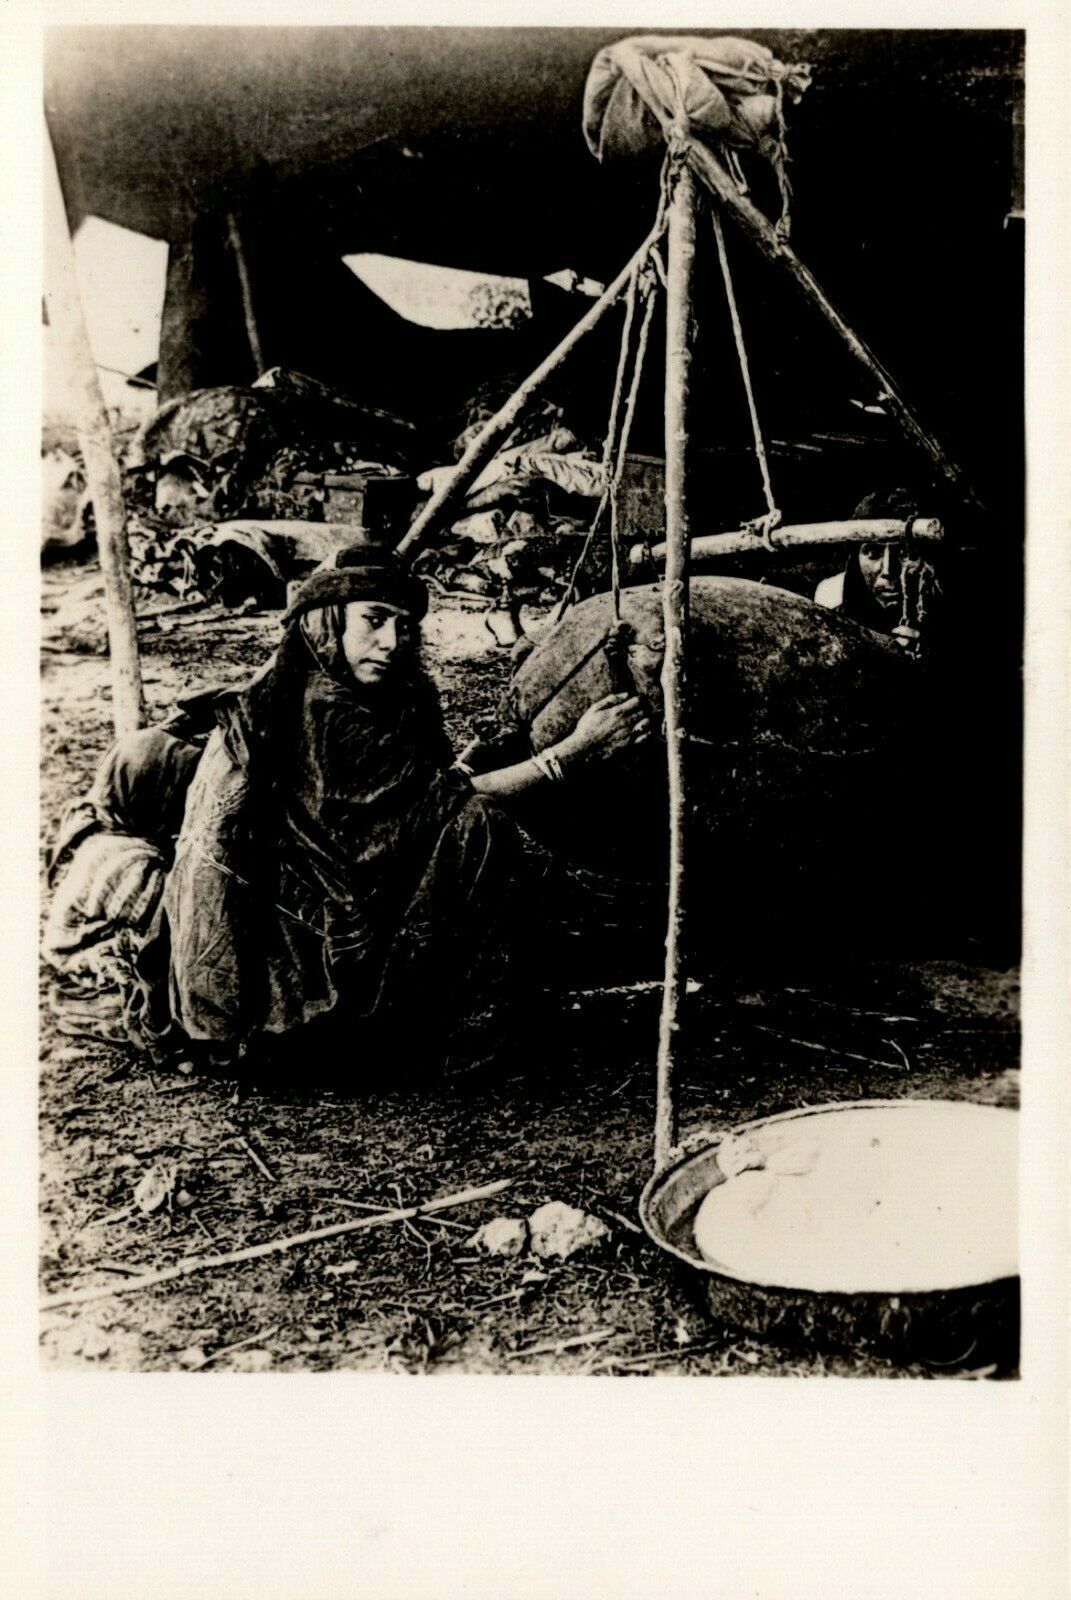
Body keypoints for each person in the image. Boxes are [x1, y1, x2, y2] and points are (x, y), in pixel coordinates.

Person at [163, 543, 651, 1072]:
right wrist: (572, 755)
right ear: (328, 619)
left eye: (405, 625)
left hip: (301, 923)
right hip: (294, 967)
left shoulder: (321, 683)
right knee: (479, 828)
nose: (392, 641)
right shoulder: (323, 706)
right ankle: (439, 1032)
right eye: (373, 620)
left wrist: (492, 748)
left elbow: (404, 795)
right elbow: (435, 808)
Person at [43, 726, 203, 1052]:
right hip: (85, 979)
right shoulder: (126, 861)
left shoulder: (103, 824)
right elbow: (174, 918)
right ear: (151, 796)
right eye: (176, 795)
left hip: (80, 953)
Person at [814, 488, 940, 654]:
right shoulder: (831, 613)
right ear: (856, 559)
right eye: (873, 554)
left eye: (904, 554)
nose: (889, 570)